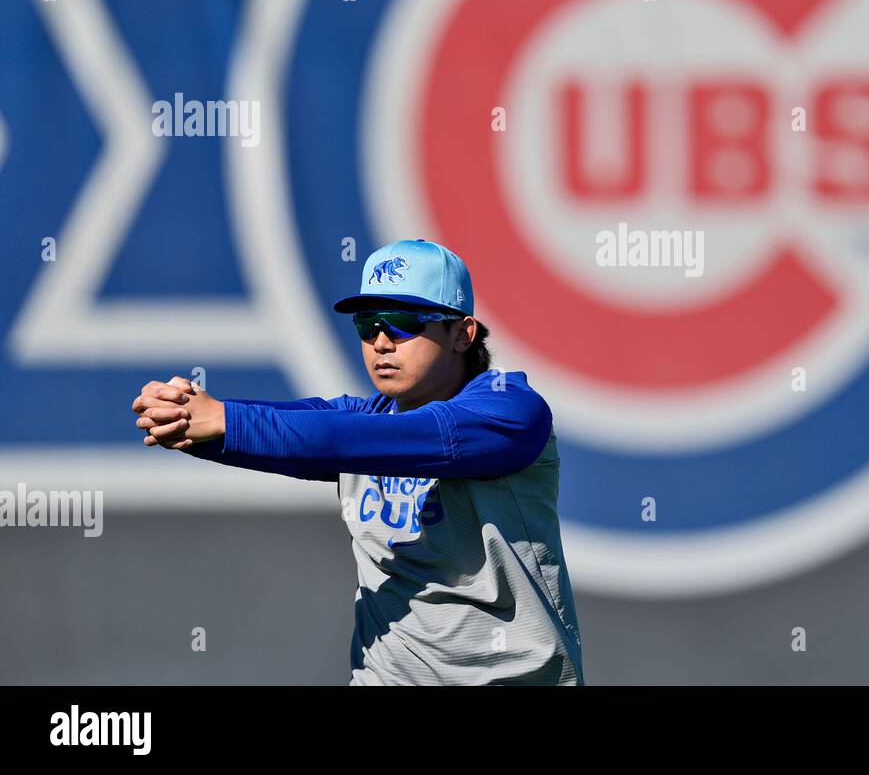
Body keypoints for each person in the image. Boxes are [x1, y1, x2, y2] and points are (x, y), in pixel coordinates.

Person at [130, 239, 584, 685]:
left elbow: (383, 439)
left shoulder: (509, 412)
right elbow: (295, 431)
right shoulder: (363, 423)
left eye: (404, 322)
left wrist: (225, 420)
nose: (381, 342)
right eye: (368, 325)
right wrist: (185, 415)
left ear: (463, 333)